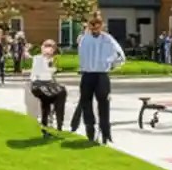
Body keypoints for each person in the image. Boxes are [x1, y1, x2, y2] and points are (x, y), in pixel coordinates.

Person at [72, 13, 126, 144]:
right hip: (87, 75)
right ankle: (89, 130)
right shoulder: (84, 38)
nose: (95, 27)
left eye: (97, 24)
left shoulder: (107, 39)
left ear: (101, 25)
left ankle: (106, 133)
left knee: (104, 104)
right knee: (86, 104)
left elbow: (120, 56)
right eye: (92, 24)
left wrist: (111, 64)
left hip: (101, 75)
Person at [29, 39, 68, 135]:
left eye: (51, 49)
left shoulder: (51, 60)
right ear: (43, 48)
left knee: (60, 92)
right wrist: (50, 67)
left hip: (47, 84)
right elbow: (38, 74)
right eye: (47, 47)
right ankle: (49, 124)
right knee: (49, 98)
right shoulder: (38, 58)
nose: (49, 51)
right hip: (38, 85)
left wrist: (52, 68)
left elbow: (50, 76)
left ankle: (55, 124)